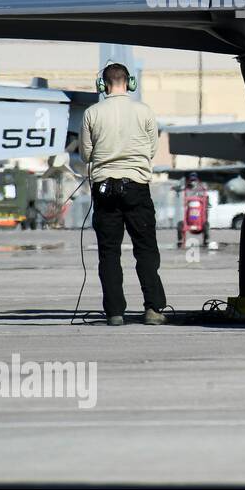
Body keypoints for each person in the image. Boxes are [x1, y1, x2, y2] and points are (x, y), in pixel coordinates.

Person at [80, 63, 167, 326]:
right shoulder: (144, 112)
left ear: (102, 85)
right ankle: (153, 308)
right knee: (146, 249)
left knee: (109, 252)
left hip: (105, 188)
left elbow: (86, 154)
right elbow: (151, 149)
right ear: (129, 83)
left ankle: (115, 312)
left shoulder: (92, 113)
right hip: (137, 187)